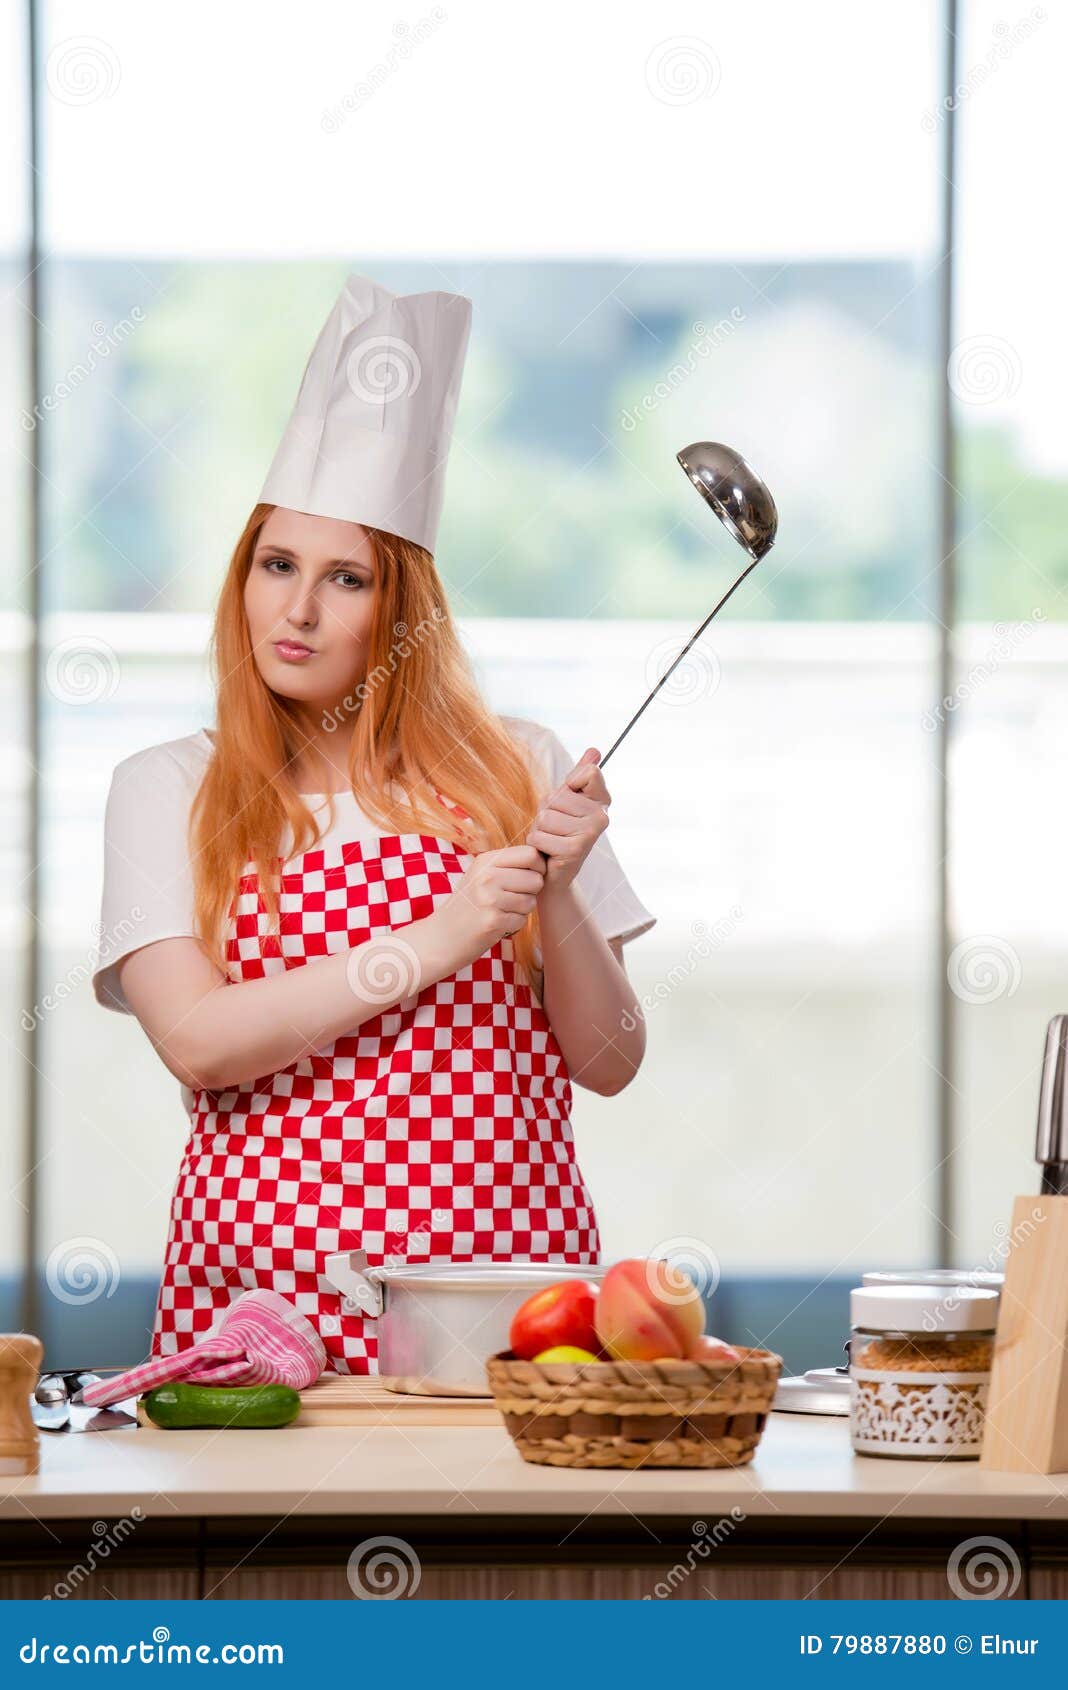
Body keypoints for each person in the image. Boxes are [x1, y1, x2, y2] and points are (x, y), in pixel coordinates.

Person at [91, 273, 656, 1374]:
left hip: (501, 1315)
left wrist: (555, 888)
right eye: (276, 565)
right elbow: (199, 1043)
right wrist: (437, 939)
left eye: (345, 578)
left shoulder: (519, 767)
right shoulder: (167, 787)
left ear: (400, 610)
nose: (296, 611)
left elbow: (612, 1060)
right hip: (260, 1318)